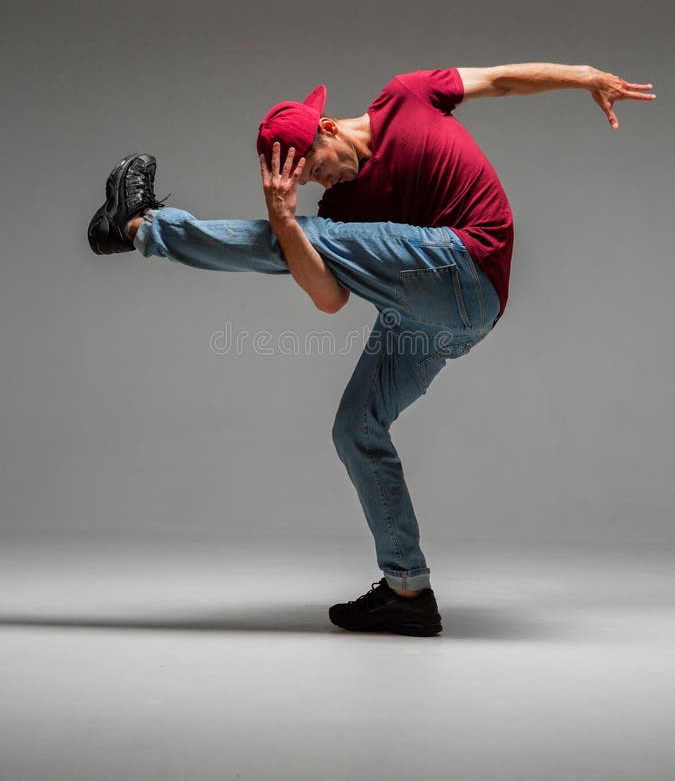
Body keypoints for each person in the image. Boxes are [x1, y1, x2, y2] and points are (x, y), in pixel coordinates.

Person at [88, 63, 654, 636]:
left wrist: (584, 76)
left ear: (328, 129)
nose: (320, 185)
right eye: (306, 182)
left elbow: (500, 81)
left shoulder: (409, 96)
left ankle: (139, 226)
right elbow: (330, 299)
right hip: (440, 321)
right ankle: (408, 590)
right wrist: (284, 217)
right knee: (356, 427)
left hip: (468, 265)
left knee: (313, 236)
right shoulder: (342, 212)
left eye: (313, 169)